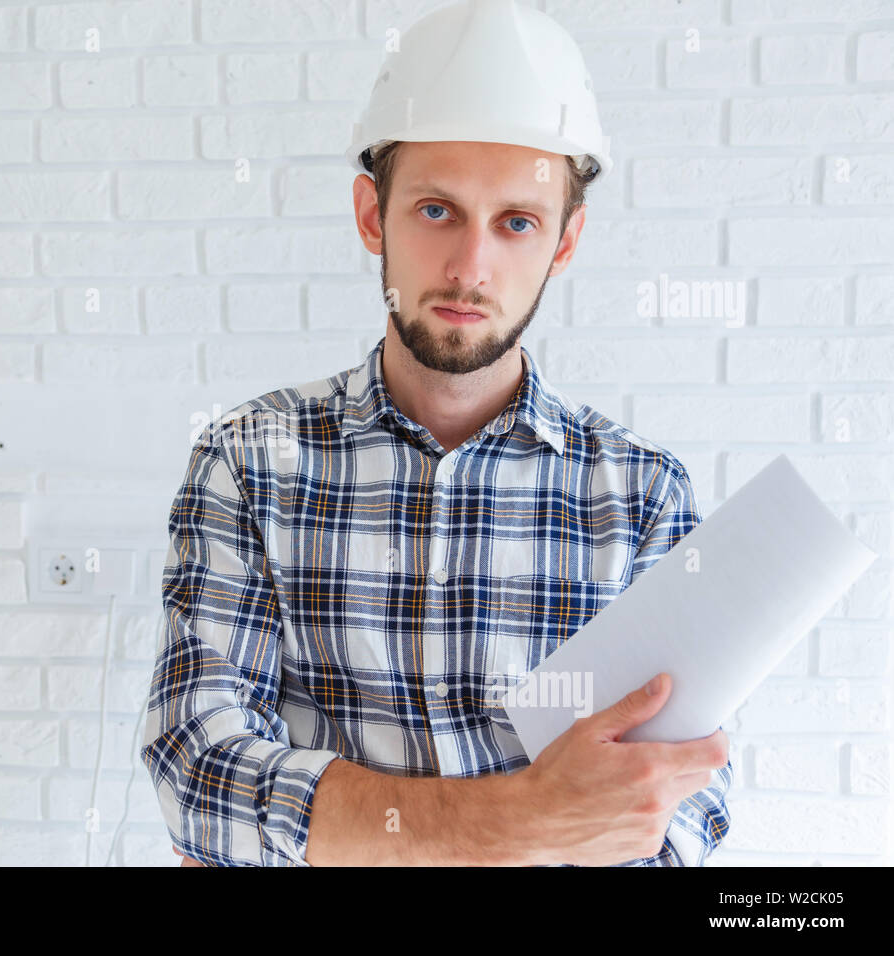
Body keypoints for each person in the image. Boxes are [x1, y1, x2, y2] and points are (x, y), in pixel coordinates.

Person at [142, 0, 731, 867]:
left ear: (565, 242)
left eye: (516, 222)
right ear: (373, 215)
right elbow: (199, 776)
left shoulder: (641, 497)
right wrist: (528, 817)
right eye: (435, 210)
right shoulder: (250, 461)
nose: (470, 267)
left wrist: (324, 833)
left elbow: (678, 815)